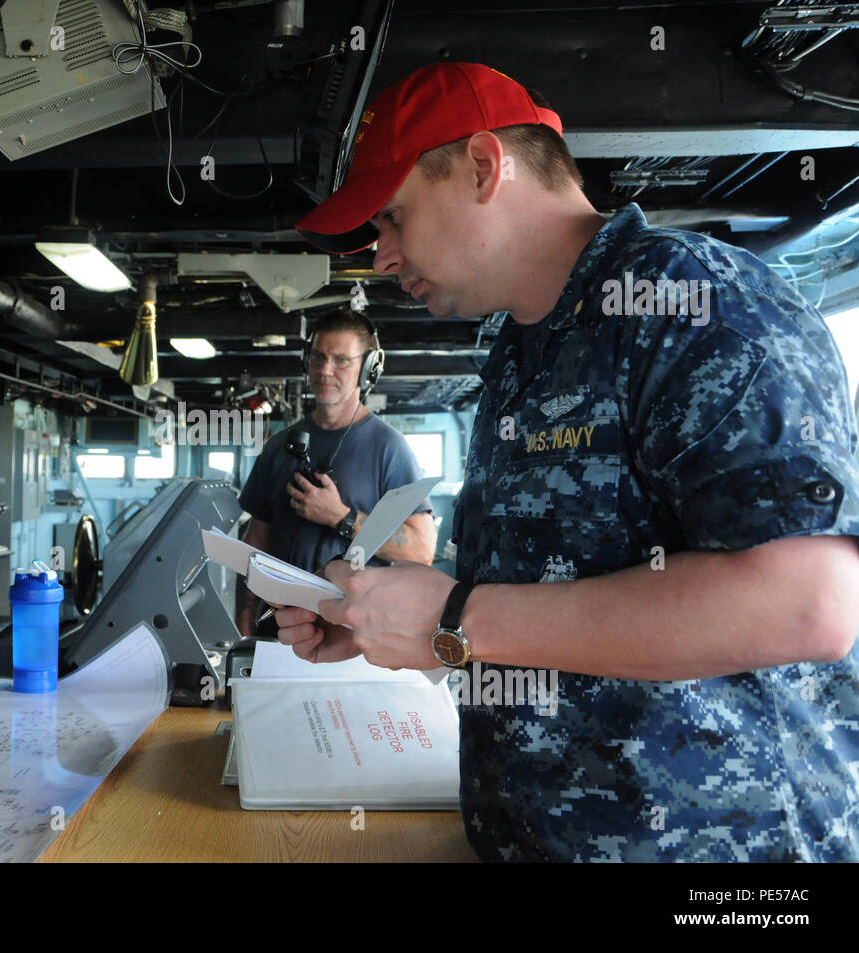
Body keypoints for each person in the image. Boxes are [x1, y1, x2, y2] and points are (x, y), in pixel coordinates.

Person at [279, 62, 859, 861]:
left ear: (484, 166)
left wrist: (453, 621)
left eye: (393, 218)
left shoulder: (692, 300)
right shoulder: (523, 352)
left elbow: (809, 602)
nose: (380, 256)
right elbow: (547, 595)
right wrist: (389, 619)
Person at [236, 311, 436, 637]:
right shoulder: (277, 447)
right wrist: (244, 629)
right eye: (318, 357)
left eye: (341, 360)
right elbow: (256, 545)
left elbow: (420, 550)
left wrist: (340, 517)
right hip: (280, 634)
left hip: (358, 640)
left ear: (367, 369)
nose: (325, 370)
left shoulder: (389, 448)